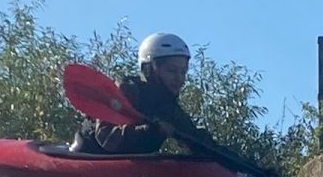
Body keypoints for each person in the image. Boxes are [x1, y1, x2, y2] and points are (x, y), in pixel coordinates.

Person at [69, 32, 224, 157]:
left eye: (183, 72)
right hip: (89, 157)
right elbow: (108, 140)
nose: (179, 79)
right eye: (172, 71)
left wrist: (238, 162)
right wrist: (150, 130)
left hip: (129, 172)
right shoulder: (127, 91)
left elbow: (200, 142)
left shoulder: (170, 110)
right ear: (149, 70)